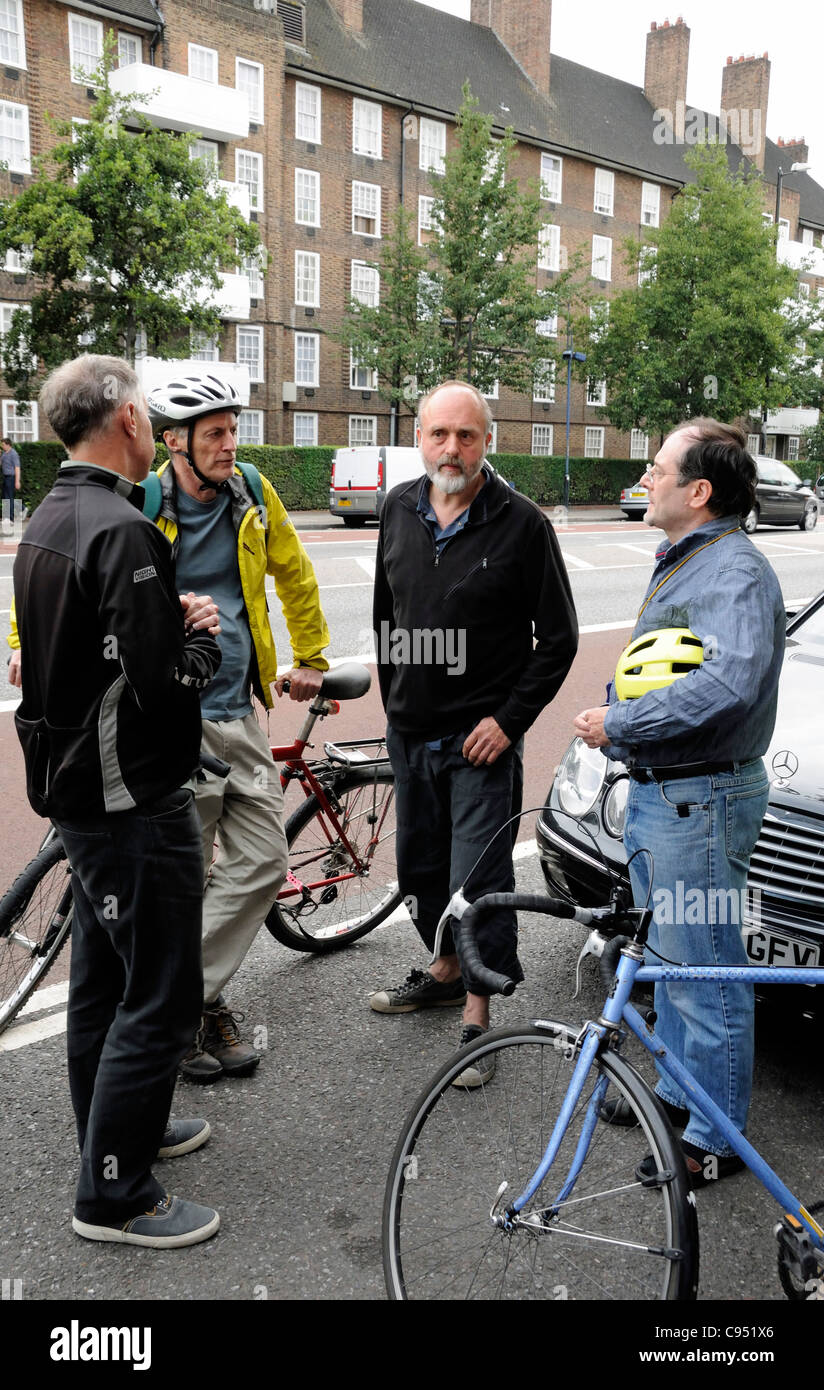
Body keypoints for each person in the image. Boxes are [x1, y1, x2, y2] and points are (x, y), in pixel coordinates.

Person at [13, 354, 223, 1247]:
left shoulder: (48, 515)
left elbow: (85, 650)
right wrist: (200, 640)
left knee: (102, 979)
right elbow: (164, 685)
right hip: (132, 801)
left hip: (78, 791)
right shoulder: (123, 528)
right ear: (129, 421)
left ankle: (112, 1140)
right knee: (164, 993)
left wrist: (151, 627)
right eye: (145, 411)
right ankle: (114, 1195)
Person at [574, 418, 784, 1187]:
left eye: (660, 466)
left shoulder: (732, 570)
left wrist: (621, 722)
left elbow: (726, 686)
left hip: (700, 798)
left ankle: (714, 1137)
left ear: (699, 491)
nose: (647, 475)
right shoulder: (693, 557)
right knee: (668, 962)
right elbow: (662, 661)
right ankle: (677, 1090)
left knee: (705, 972)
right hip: (672, 797)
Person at [370, 380, 578, 1084]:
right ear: (420, 438)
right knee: (421, 867)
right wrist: (395, 698)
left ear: (487, 440)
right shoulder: (397, 507)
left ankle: (478, 1017)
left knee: (476, 876)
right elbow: (386, 610)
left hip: (479, 738)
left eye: (466, 435)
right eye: (439, 434)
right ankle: (444, 968)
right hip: (411, 730)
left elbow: (558, 640)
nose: (451, 448)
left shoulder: (522, 526)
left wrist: (508, 721)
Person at [146, 374, 330, 1082]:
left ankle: (180, 1002)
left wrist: (311, 654)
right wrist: (19, 639)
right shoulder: (146, 501)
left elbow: (295, 571)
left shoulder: (251, 490)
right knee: (185, 879)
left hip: (237, 708)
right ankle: (193, 1015)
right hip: (171, 723)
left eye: (232, 430)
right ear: (175, 441)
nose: (230, 445)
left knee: (262, 860)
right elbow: (70, 560)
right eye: (214, 433)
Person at [1, 436, 21, 527]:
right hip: (5, 477)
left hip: (11, 477)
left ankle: (11, 519)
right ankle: (6, 518)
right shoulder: (4, 453)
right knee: (5, 497)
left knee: (10, 497)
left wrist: (17, 481)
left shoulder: (14, 454)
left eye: (3, 444)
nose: (2, 446)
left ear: (8, 445)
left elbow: (17, 468)